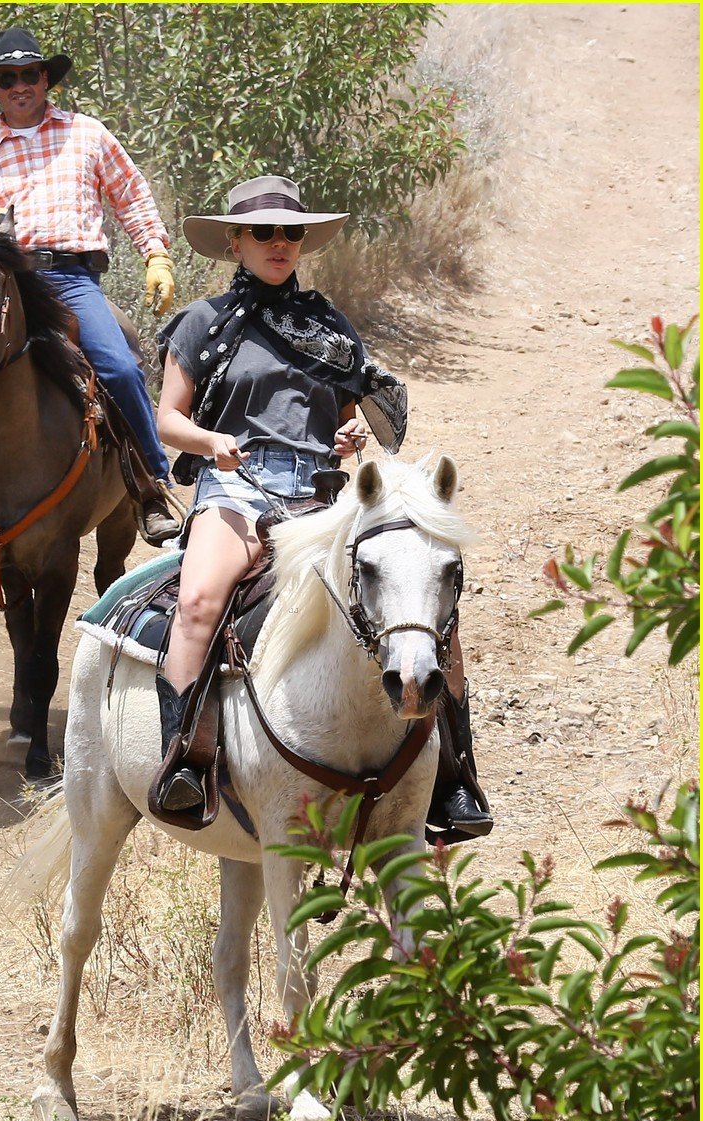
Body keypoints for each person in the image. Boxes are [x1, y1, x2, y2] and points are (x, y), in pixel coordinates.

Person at [148, 174, 491, 839]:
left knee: (427, 615)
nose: (279, 243)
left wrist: (348, 434)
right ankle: (184, 759)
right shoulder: (201, 323)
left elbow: (344, 415)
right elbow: (168, 419)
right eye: (263, 232)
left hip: (320, 495)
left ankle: (453, 778)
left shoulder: (328, 326)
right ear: (235, 243)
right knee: (198, 604)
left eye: (291, 232)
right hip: (235, 488)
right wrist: (211, 441)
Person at [0, 27, 178, 544]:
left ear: (45, 79)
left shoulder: (87, 134)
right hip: (5, 281)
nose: (19, 85)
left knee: (119, 365)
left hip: (71, 278)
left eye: (28, 74)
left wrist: (155, 254)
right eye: (7, 78)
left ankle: (150, 485)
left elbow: (131, 195)